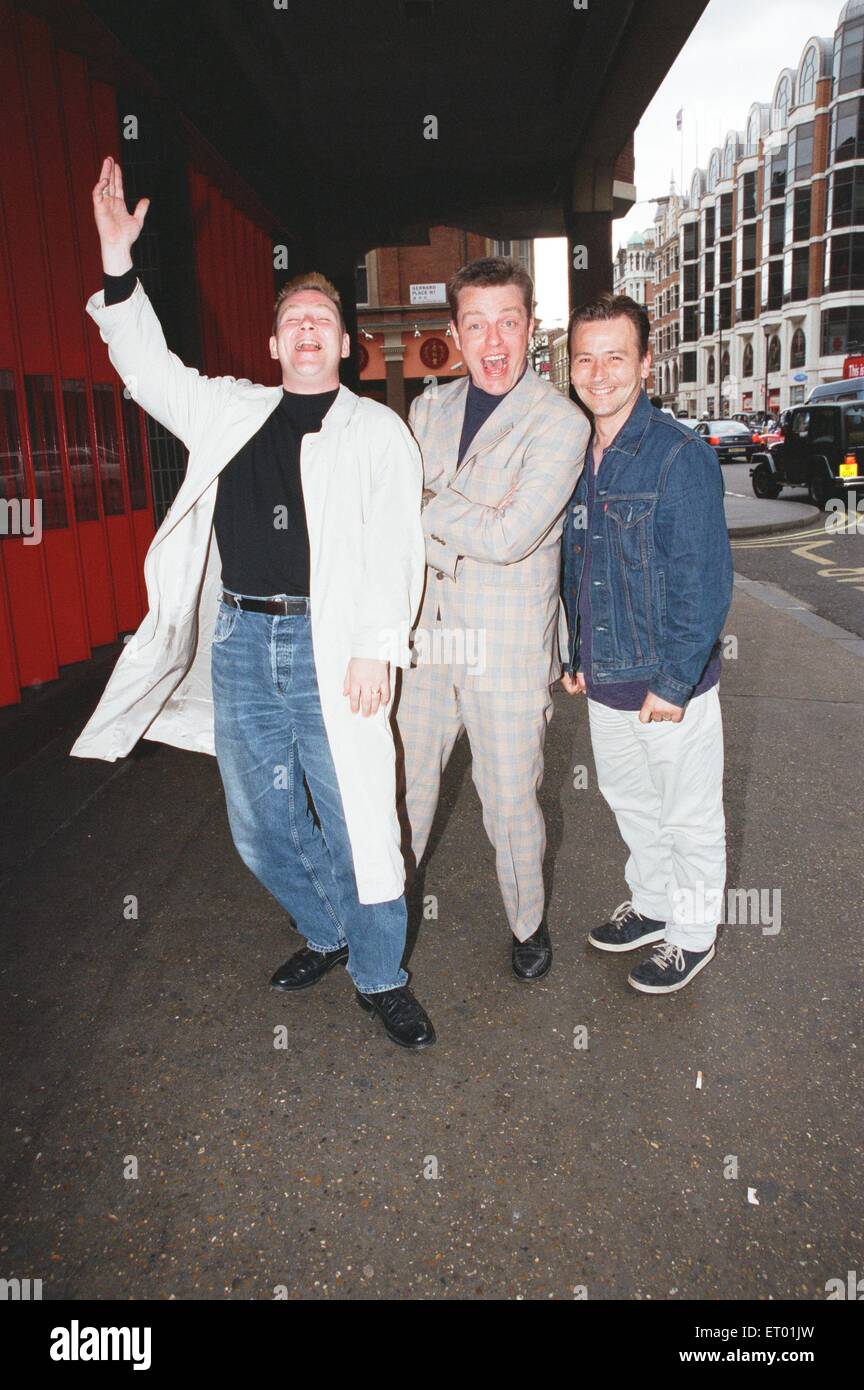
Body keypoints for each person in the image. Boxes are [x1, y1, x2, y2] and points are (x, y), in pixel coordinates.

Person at [71, 157, 436, 1049]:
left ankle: (380, 973)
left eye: (322, 320)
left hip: (335, 646)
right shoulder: (228, 409)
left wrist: (377, 646)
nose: (307, 331)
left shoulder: (378, 432)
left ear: (345, 345)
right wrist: (121, 267)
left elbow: (399, 546)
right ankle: (327, 932)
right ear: (273, 347)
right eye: (292, 322)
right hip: (242, 642)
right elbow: (147, 368)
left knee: (359, 818)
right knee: (260, 824)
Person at [394, 257, 589, 981]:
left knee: (509, 803)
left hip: (505, 646)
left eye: (509, 321)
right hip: (423, 637)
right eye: (476, 324)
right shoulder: (426, 408)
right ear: (454, 332)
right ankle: (389, 912)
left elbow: (512, 537)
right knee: (404, 787)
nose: (494, 340)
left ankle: (527, 922)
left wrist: (425, 500)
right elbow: (406, 521)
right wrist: (445, 510)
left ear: (531, 327)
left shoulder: (560, 422)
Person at [561, 293, 733, 994]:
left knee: (688, 816)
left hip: (669, 684)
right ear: (569, 366)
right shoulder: (577, 453)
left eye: (615, 357)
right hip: (606, 676)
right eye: (585, 358)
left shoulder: (677, 455)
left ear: (645, 364)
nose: (598, 373)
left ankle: (691, 935)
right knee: (631, 804)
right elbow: (578, 564)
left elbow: (704, 583)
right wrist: (575, 655)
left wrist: (673, 681)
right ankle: (656, 905)